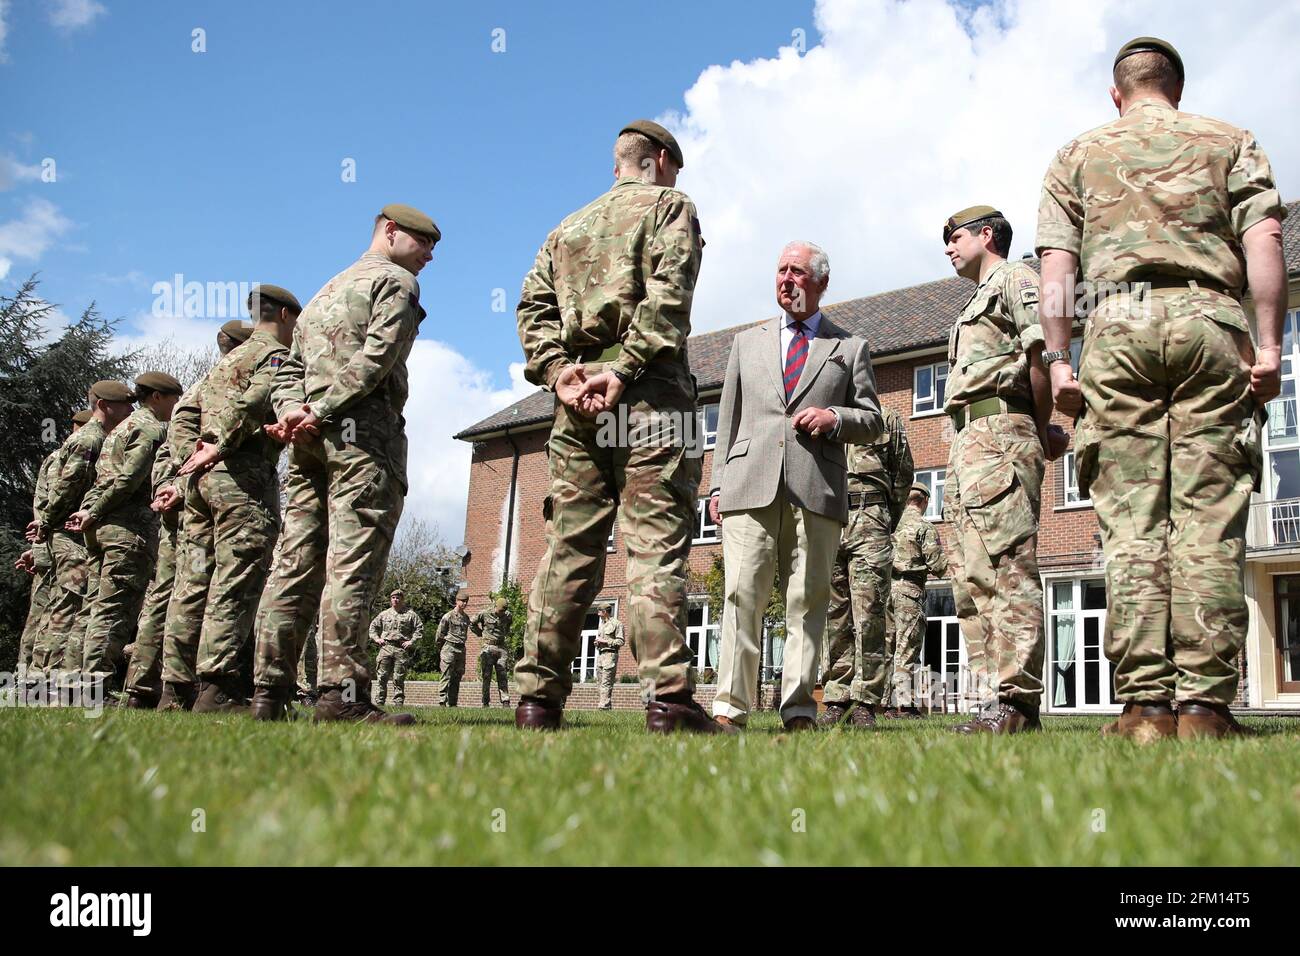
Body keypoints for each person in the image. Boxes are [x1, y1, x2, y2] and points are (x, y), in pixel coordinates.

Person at [1036, 36, 1287, 741]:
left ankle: (1146, 706)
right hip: (1210, 319)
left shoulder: (1077, 154)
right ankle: (1204, 707)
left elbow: (1058, 271)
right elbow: (1264, 244)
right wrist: (1270, 347)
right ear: (1174, 86)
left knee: (1131, 516)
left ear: (1117, 94)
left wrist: (1059, 361)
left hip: (1116, 323)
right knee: (1209, 510)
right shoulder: (1231, 140)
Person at [512, 119, 715, 733]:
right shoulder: (669, 207)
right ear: (658, 160)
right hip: (649, 398)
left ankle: (536, 701)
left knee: (568, 547)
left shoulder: (565, 229)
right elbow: (668, 300)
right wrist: (624, 370)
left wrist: (558, 374)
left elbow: (531, 308)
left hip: (575, 407)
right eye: (673, 168)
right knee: (654, 547)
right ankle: (669, 701)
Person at [256, 205, 438, 726]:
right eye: (423, 243)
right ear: (390, 231)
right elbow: (379, 358)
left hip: (309, 440)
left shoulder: (322, 293)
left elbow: (284, 365)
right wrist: (321, 408)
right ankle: (341, 694)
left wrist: (294, 408)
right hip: (362, 437)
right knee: (351, 561)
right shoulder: (395, 283)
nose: (427, 256)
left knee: (295, 560)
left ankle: (269, 690)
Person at [709, 241, 884, 732]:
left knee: (807, 605)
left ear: (821, 283)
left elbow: (873, 421)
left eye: (798, 272)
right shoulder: (746, 343)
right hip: (749, 486)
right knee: (741, 597)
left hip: (817, 488)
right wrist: (717, 486)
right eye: (780, 270)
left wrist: (835, 417)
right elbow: (729, 420)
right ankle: (729, 710)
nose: (786, 279)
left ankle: (799, 710)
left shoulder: (849, 348)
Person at [941, 206, 1067, 734]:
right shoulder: (972, 301)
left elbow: (1039, 357)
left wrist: (1037, 430)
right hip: (966, 441)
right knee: (972, 577)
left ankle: (1017, 702)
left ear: (986, 235)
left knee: (1007, 566)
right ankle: (993, 699)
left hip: (1000, 436)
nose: (948, 247)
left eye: (955, 237)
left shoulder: (1016, 278)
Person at [164, 285, 302, 715]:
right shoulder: (275, 355)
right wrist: (220, 445)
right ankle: (217, 687)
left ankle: (174, 689)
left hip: (201, 483)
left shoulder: (225, 362)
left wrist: (193, 454)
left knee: (192, 582)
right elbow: (257, 399)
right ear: (284, 314)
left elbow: (183, 412)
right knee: (235, 580)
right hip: (242, 479)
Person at [125, 321, 250, 709]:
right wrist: (181, 481)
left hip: (186, 496)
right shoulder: (235, 383)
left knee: (176, 591)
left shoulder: (202, 386)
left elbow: (177, 431)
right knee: (214, 588)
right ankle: (200, 689)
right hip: (211, 496)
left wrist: (177, 481)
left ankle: (161, 690)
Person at [69, 372, 181, 696]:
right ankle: (93, 690)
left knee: (97, 608)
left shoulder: (120, 429)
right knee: (115, 612)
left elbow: (101, 479)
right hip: (126, 530)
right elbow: (128, 480)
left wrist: (91, 512)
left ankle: (86, 686)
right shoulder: (150, 428)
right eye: (173, 399)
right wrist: (94, 511)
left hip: (104, 530)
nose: (176, 406)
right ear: (157, 398)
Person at [30, 382, 134, 682]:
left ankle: (50, 680)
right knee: (68, 607)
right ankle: (45, 681)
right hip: (69, 534)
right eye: (123, 404)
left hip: (71, 531)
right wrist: (48, 522)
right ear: (102, 405)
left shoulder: (102, 438)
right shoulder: (91, 439)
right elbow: (68, 487)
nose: (130, 410)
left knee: (66, 606)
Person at [819, 406, 913, 728]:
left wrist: (885, 515)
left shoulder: (885, 418)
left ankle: (865, 702)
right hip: (829, 516)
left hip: (870, 514)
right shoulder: (823, 413)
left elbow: (903, 474)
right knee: (834, 614)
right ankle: (836, 698)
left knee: (870, 613)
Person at [17, 409, 92, 682]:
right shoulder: (68, 457)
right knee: (54, 611)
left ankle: (28, 679)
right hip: (62, 543)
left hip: (49, 542)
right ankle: (36, 678)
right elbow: (52, 506)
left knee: (44, 612)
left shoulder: (58, 457)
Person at [882, 482, 947, 718]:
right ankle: (905, 706)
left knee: (888, 648)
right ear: (925, 501)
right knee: (906, 649)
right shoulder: (924, 527)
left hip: (886, 591)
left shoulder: (890, 527)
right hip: (910, 592)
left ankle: (887, 705)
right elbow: (938, 566)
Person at [370, 589, 422, 708]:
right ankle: (379, 702)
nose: (395, 600)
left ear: (402, 600)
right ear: (390, 599)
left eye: (398, 598)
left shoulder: (410, 615)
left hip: (400, 649)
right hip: (386, 647)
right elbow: (372, 627)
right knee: (382, 677)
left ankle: (398, 703)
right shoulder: (384, 614)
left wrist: (411, 641)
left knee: (398, 678)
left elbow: (419, 629)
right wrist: (377, 639)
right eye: (393, 597)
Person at [472, 597, 512, 708]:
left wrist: (504, 635)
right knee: (486, 675)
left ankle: (505, 701)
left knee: (502, 675)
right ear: (495, 607)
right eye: (500, 611)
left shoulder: (508, 615)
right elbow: (472, 623)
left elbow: (508, 626)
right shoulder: (485, 613)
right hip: (488, 647)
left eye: (503, 611)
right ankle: (485, 702)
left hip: (501, 647)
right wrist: (480, 633)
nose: (502, 613)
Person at [435, 591, 470, 707]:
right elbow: (440, 634)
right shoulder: (448, 616)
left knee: (457, 677)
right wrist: (442, 649)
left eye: (466, 601)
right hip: (449, 647)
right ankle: (442, 701)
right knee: (446, 675)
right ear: (457, 601)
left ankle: (453, 702)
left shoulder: (466, 618)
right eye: (462, 601)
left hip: (461, 649)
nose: (464, 603)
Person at [593, 604, 624, 710]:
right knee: (600, 683)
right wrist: (598, 643)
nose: (598, 613)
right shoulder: (602, 625)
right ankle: (606, 706)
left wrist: (605, 641)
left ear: (605, 611)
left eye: (599, 611)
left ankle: (603, 708)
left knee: (606, 682)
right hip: (601, 655)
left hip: (610, 655)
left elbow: (620, 641)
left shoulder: (617, 624)